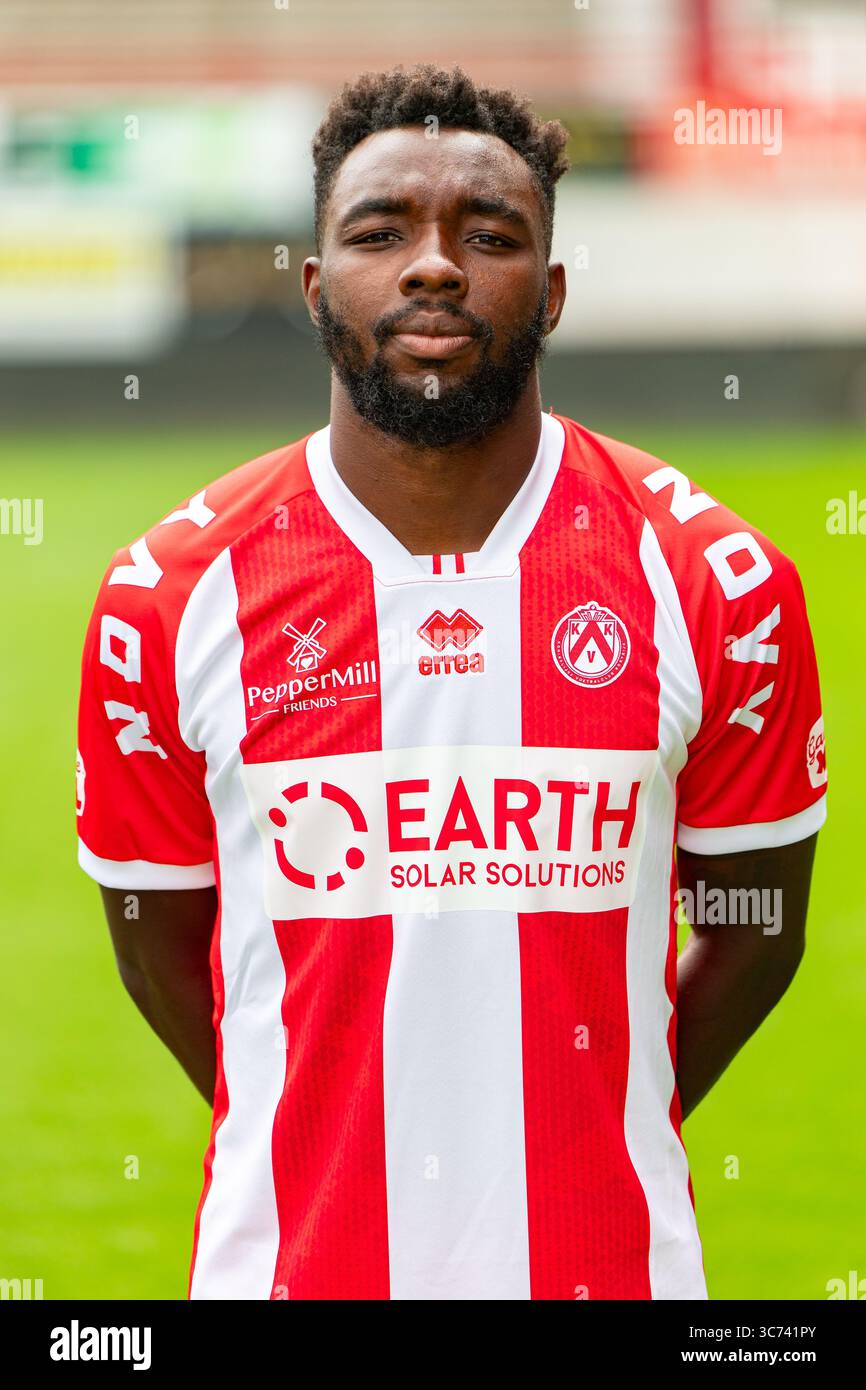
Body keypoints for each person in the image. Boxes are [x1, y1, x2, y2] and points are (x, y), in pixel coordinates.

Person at [76, 64, 827, 1301]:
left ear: (553, 291)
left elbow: (755, 928)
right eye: (380, 233)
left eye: (489, 235)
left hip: (609, 1272)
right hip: (288, 1272)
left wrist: (589, 1109)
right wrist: (322, 1114)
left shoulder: (717, 582)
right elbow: (159, 946)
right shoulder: (165, 595)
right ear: (317, 290)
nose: (433, 266)